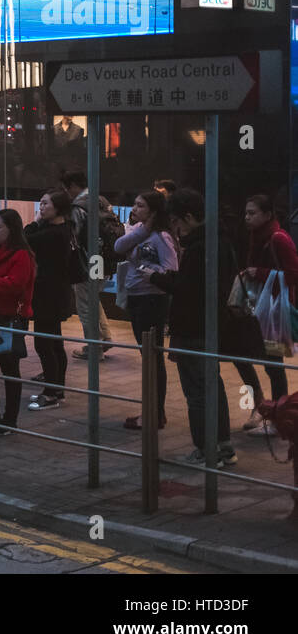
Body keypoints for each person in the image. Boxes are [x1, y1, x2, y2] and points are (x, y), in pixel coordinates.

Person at [154, 188, 237, 465]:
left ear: (188, 217)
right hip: (210, 326)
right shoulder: (220, 240)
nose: (175, 228)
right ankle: (223, 446)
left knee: (197, 392)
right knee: (213, 386)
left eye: (176, 221)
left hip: (193, 328)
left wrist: (157, 278)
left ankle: (206, 449)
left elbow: (187, 290)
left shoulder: (200, 247)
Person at [115, 190, 179, 429]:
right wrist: (143, 228)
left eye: (140, 205)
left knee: (152, 358)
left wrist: (146, 270)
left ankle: (154, 413)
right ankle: (152, 412)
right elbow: (119, 246)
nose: (134, 209)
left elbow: (170, 269)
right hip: (136, 298)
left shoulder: (162, 237)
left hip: (152, 300)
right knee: (149, 357)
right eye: (134, 204)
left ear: (153, 210)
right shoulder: (141, 232)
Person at [238, 193, 293, 428]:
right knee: (241, 356)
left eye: (252, 213)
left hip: (274, 312)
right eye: (246, 213)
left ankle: (278, 417)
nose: (247, 218)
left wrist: (258, 273)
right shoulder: (256, 237)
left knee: (273, 365)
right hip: (258, 309)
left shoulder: (278, 238)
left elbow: (294, 274)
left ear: (267, 215)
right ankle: (261, 406)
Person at [0, 209, 36, 435]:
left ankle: (8, 420)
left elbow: (16, 286)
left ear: (11, 229)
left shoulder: (21, 255)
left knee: (9, 369)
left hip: (10, 317)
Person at [23, 190, 77, 410]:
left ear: (58, 208)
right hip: (56, 294)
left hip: (49, 295)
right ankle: (56, 390)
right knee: (54, 341)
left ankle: (53, 392)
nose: (41, 208)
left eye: (45, 204)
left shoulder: (53, 234)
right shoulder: (65, 230)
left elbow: (24, 239)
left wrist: (35, 222)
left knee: (46, 343)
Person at [61, 171, 116, 360]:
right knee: (92, 298)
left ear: (74, 186)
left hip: (87, 260)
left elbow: (73, 236)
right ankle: (104, 338)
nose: (67, 193)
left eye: (67, 188)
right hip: (103, 259)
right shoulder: (101, 200)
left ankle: (95, 348)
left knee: (84, 304)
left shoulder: (79, 206)